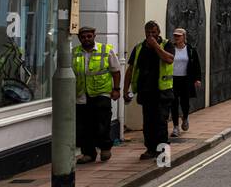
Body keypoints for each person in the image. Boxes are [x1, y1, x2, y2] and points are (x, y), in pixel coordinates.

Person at [125, 21, 175, 161]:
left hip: (162, 92)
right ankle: (151, 149)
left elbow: (169, 59)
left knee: (160, 122)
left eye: (153, 32)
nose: (151, 35)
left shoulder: (167, 45)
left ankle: (163, 152)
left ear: (158, 32)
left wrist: (155, 46)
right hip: (145, 91)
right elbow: (130, 70)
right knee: (148, 123)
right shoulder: (139, 48)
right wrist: (125, 90)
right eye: (148, 33)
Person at [73, 26, 121, 165]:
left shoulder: (106, 50)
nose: (86, 39)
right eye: (83, 37)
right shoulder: (74, 52)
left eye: (89, 36)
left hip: (102, 93)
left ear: (94, 36)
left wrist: (116, 89)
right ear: (79, 38)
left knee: (102, 122)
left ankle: (105, 148)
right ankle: (88, 153)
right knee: (84, 126)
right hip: (81, 94)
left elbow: (116, 71)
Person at [168, 28, 203, 138]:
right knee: (173, 103)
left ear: (184, 37)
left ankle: (185, 117)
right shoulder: (170, 48)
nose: (176, 38)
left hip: (186, 79)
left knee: (184, 102)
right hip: (173, 79)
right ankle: (175, 127)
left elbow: (196, 65)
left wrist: (197, 79)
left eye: (179, 36)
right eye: (175, 36)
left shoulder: (191, 50)